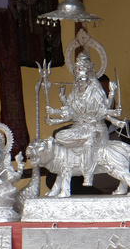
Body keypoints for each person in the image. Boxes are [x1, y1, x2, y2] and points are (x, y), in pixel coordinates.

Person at [46, 51, 127, 185]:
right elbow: (70, 113)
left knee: (89, 141)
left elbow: (103, 110)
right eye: (78, 75)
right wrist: (54, 115)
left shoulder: (95, 91)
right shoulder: (75, 93)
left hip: (95, 130)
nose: (81, 80)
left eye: (84, 75)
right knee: (59, 137)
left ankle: (88, 174)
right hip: (79, 130)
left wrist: (112, 97)